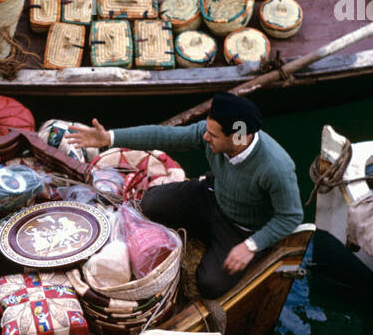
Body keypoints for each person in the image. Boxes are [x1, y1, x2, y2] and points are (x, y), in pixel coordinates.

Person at [64, 93, 304, 298]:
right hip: (211, 196)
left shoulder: (276, 168)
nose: (205, 137)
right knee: (151, 203)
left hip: (241, 229)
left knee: (209, 285)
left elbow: (290, 217)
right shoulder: (218, 134)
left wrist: (250, 246)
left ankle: (220, 243)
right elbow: (165, 136)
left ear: (237, 137)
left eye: (213, 135)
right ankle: (205, 231)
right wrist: (109, 138)